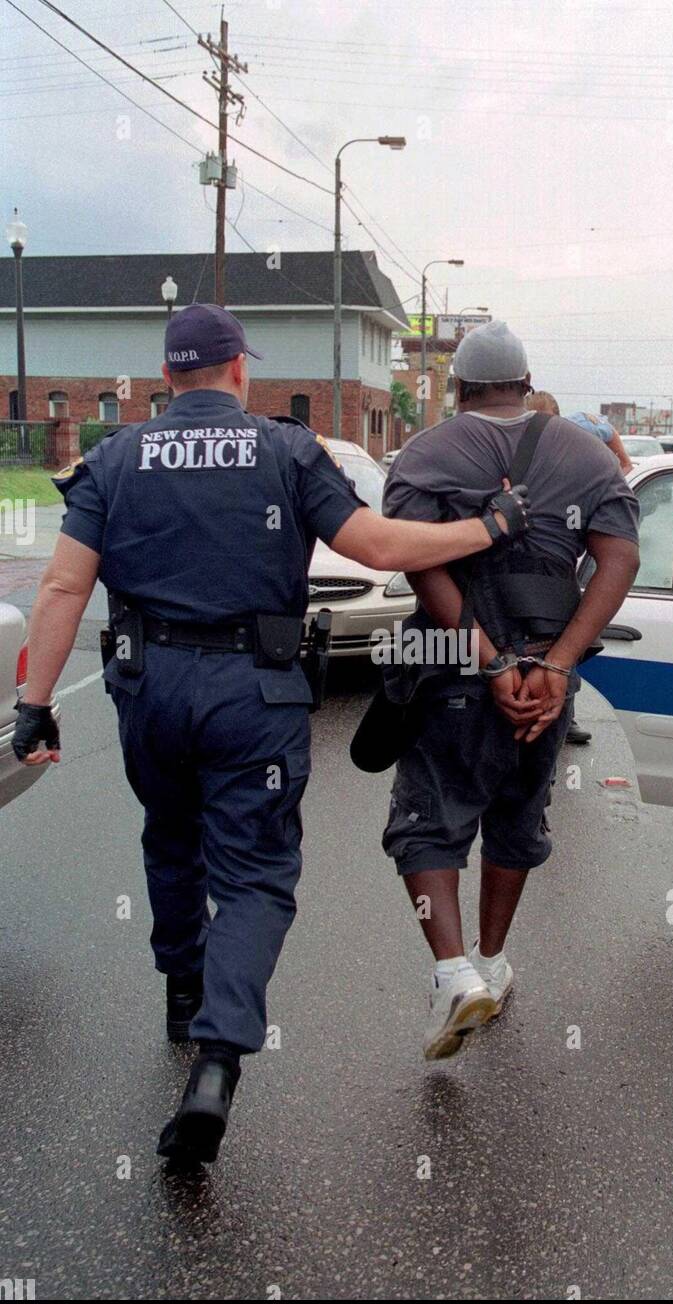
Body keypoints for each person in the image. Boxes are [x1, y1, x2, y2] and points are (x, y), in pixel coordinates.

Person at [11, 304, 529, 1165]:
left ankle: (183, 991)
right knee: (252, 873)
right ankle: (216, 1060)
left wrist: (36, 704)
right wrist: (490, 526)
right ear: (238, 372)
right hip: (254, 692)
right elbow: (374, 544)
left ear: (166, 377)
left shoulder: (115, 456)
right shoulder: (286, 449)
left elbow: (63, 589)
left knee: (171, 839)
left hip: (150, 688)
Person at [380, 320, 639, 1060]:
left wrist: (489, 660)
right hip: (548, 669)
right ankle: (492, 959)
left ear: (458, 387)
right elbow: (618, 557)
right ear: (526, 385)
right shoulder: (584, 451)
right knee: (517, 814)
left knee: (429, 818)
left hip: (455, 665)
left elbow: (417, 564)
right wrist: (554, 666)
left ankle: (455, 972)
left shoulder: (428, 452)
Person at [524, 393, 633, 745]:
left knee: (563, 647)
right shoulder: (521, 452)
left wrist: (600, 487)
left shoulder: (583, 429)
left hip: (564, 562)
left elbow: (625, 464)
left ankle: (564, 714)